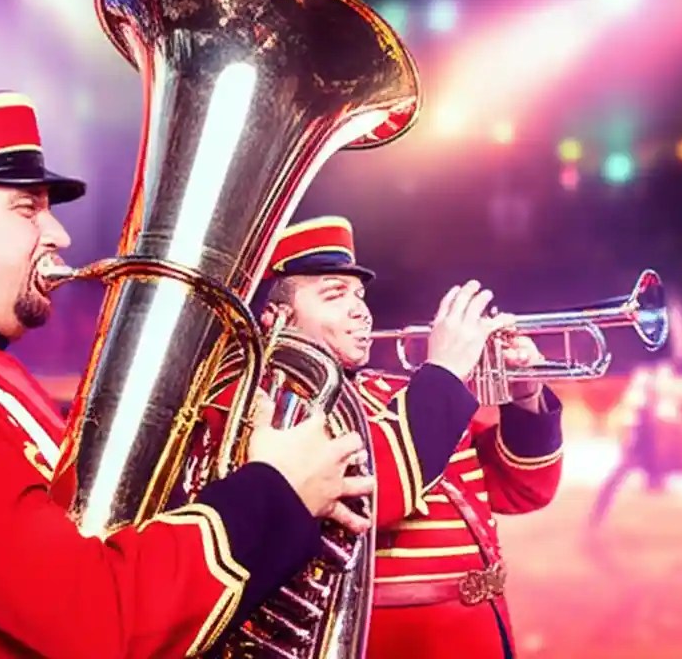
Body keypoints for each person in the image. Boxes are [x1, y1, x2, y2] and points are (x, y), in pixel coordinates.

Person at [0, 92, 373, 658]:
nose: (59, 236)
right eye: (27, 209)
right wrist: (273, 493)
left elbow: (87, 539)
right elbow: (90, 624)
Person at [198, 216, 566, 659]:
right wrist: (445, 373)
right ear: (275, 315)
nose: (361, 310)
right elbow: (372, 495)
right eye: (335, 294)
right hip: (390, 643)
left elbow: (523, 490)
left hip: (484, 634)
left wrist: (525, 395)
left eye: (359, 295)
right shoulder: (254, 402)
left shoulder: (394, 392)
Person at [586, 360, 682, 535]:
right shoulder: (647, 380)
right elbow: (638, 413)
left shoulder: (667, 382)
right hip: (646, 438)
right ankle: (594, 521)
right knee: (618, 475)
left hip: (662, 438)